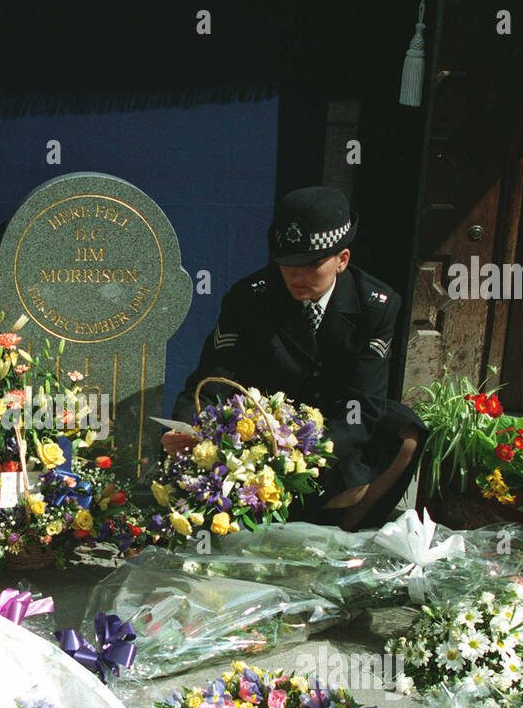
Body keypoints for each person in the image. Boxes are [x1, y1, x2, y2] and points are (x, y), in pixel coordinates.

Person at [169, 186, 426, 530]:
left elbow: (363, 405)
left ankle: (348, 531)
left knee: (403, 429)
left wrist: (305, 451)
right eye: (288, 264)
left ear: (342, 260)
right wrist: (186, 426)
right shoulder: (250, 298)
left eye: (311, 264)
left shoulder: (375, 305)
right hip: (263, 430)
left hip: (334, 430)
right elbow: (215, 375)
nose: (297, 276)